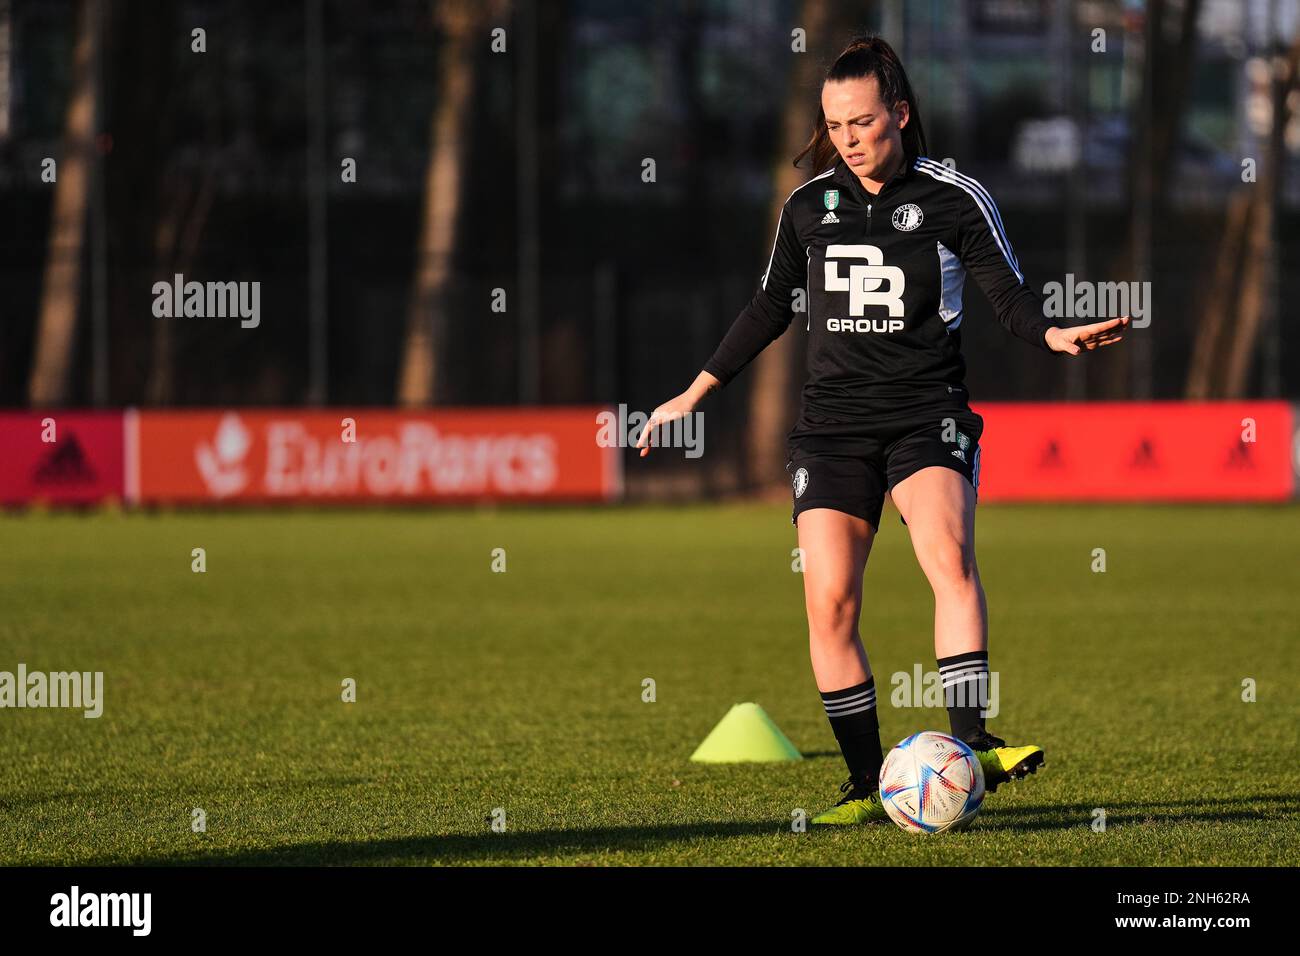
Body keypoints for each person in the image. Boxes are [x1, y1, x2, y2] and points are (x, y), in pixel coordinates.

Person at [637, 35, 1127, 824]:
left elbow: (1007, 294)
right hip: (830, 429)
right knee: (829, 604)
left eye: (862, 121)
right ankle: (867, 783)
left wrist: (1053, 335)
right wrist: (693, 393)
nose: (849, 139)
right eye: (835, 126)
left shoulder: (955, 197)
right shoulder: (807, 207)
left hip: (926, 413)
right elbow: (768, 306)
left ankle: (974, 743)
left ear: (899, 113)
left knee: (948, 554)